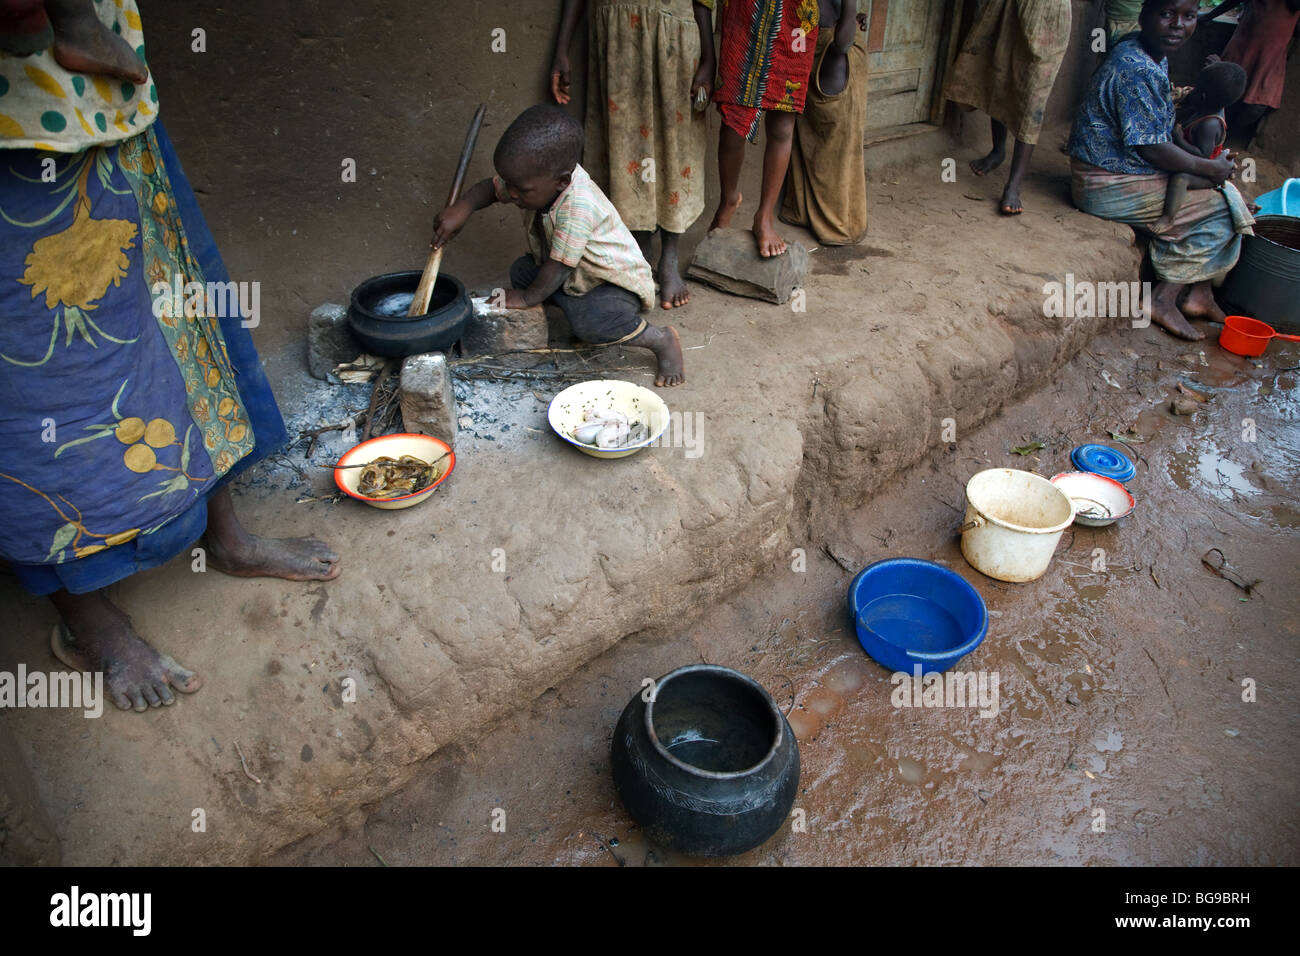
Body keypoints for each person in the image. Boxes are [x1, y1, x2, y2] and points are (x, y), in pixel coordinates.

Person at [0, 0, 341, 713]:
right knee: (36, 381)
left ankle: (226, 537)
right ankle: (88, 620)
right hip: (14, 123)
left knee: (171, 316)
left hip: (102, 109)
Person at [431, 105, 686, 387]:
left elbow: (560, 266)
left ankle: (660, 340)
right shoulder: (538, 178)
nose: (511, 194)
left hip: (613, 285)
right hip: (576, 275)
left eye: (521, 190)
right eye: (509, 184)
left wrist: (527, 299)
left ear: (562, 181)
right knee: (522, 271)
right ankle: (575, 310)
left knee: (590, 321)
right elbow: (491, 189)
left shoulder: (578, 206)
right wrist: (463, 208)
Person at [1067, 0, 1252, 341]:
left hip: (1115, 171)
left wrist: (1210, 168)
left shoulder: (1147, 52)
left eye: (1189, 16)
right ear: (1144, 16)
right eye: (1167, 14)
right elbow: (1151, 148)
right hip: (1104, 184)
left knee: (1224, 191)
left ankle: (1199, 294)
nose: (1178, 25)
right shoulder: (1138, 68)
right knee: (1223, 210)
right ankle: (1163, 300)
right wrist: (1211, 168)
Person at [550, 0, 715, 310]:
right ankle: (639, 252)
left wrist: (709, 55)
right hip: (617, 33)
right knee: (624, 145)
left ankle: (669, 256)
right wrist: (562, 48)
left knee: (676, 144)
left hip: (674, 29)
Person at [710, 0, 820, 257]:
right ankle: (728, 199)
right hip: (746, 11)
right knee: (734, 119)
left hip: (796, 18)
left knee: (783, 123)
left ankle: (765, 216)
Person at [943, 0, 1073, 215]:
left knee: (1034, 96)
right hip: (1007, 6)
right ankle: (998, 151)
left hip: (1047, 13)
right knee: (1000, 77)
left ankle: (1014, 184)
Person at [779, 0, 869, 246]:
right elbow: (842, 44)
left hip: (822, 44)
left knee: (817, 137)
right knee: (834, 143)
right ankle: (836, 224)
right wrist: (850, 10)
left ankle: (800, 210)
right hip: (831, 50)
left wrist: (850, 18)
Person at [1153, 60, 1247, 232]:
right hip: (1200, 163)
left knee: (1180, 178)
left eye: (1196, 88)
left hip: (1207, 173)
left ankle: (1168, 218)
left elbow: (1202, 155)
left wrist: (1179, 139)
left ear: (1203, 96)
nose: (1192, 91)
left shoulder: (1209, 124)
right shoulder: (1213, 105)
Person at [1201, 0, 1300, 144]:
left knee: (1257, 104)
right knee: (1222, 89)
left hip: (1271, 53)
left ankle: (1226, 135)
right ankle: (1212, 133)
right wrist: (1209, 16)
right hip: (1245, 40)